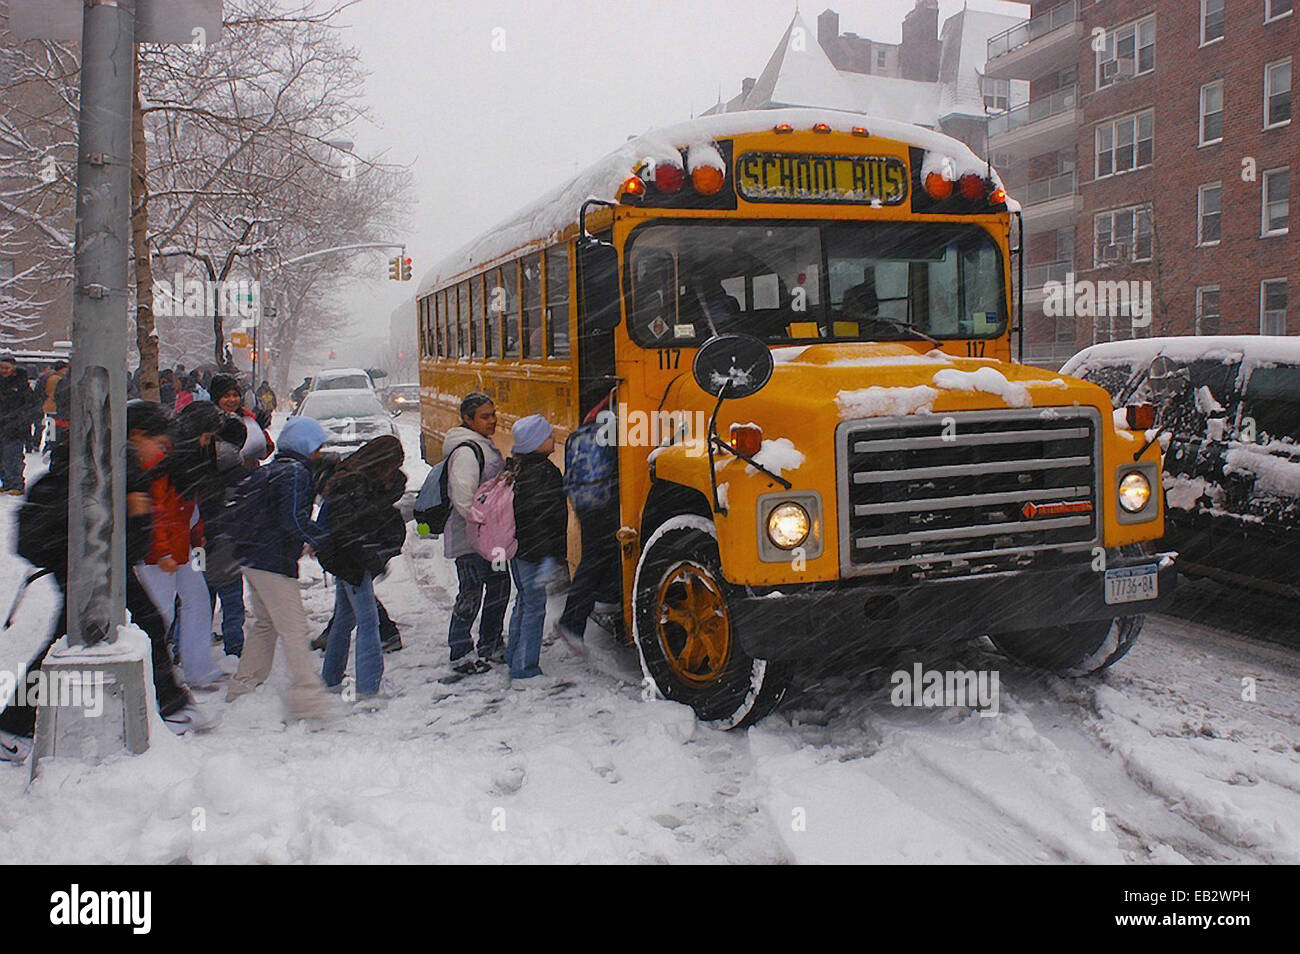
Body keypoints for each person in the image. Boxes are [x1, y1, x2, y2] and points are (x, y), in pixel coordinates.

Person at [224, 415, 336, 721]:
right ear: (306, 446)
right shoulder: (297, 474)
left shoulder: (272, 470)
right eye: (317, 447)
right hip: (272, 561)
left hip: (252, 557)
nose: (319, 454)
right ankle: (308, 700)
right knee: (294, 628)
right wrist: (322, 540)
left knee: (265, 624)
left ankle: (243, 686)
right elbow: (294, 520)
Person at [134, 401, 226, 689]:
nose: (208, 443)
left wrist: (196, 539)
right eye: (207, 435)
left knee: (197, 602)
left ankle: (198, 668)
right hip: (159, 552)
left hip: (181, 547)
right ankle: (152, 676)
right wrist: (162, 550)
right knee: (160, 612)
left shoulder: (183, 460)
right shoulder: (166, 459)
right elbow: (159, 509)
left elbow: (189, 508)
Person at [316, 435, 407, 702]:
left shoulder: (353, 482)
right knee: (368, 621)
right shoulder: (355, 487)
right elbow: (350, 529)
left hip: (344, 558)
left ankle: (331, 678)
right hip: (351, 560)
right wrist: (368, 556)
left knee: (345, 619)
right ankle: (369, 686)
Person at [442, 392, 510, 675]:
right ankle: (460, 650)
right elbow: (463, 497)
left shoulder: (483, 446)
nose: (492, 421)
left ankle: (490, 643)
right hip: (471, 540)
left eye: (493, 414)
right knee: (471, 593)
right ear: (468, 419)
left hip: (490, 538)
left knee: (499, 587)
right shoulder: (467, 452)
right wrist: (481, 523)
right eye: (485, 417)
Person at [556, 389, 623, 654]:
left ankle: (605, 600)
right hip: (602, 502)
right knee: (596, 559)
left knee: (598, 554)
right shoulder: (613, 430)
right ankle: (571, 622)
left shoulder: (583, 431)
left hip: (585, 502)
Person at [504, 414, 567, 688]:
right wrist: (549, 554)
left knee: (523, 602)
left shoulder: (518, 469)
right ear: (535, 443)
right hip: (534, 551)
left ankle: (514, 656)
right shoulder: (544, 473)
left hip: (519, 548)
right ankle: (524, 669)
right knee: (534, 608)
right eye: (548, 436)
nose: (553, 438)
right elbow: (543, 518)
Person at [0, 353, 35, 495]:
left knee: (12, 456)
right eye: (1, 367)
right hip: (2, 425)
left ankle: (17, 484)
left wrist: (21, 419)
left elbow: (30, 405)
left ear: (13, 368)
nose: (3, 370)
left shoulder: (21, 385)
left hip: (14, 427)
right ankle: (6, 482)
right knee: (2, 457)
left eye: (6, 367)